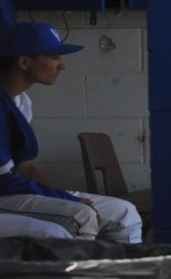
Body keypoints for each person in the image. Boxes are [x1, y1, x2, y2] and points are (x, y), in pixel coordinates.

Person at [0, 22, 143, 243]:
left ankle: (121, 276)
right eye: (54, 57)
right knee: (79, 217)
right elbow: (4, 180)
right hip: (4, 192)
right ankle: (81, 277)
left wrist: (64, 193)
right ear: (24, 62)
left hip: (13, 190)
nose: (62, 65)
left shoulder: (21, 102)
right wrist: (64, 197)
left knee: (125, 213)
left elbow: (24, 167)